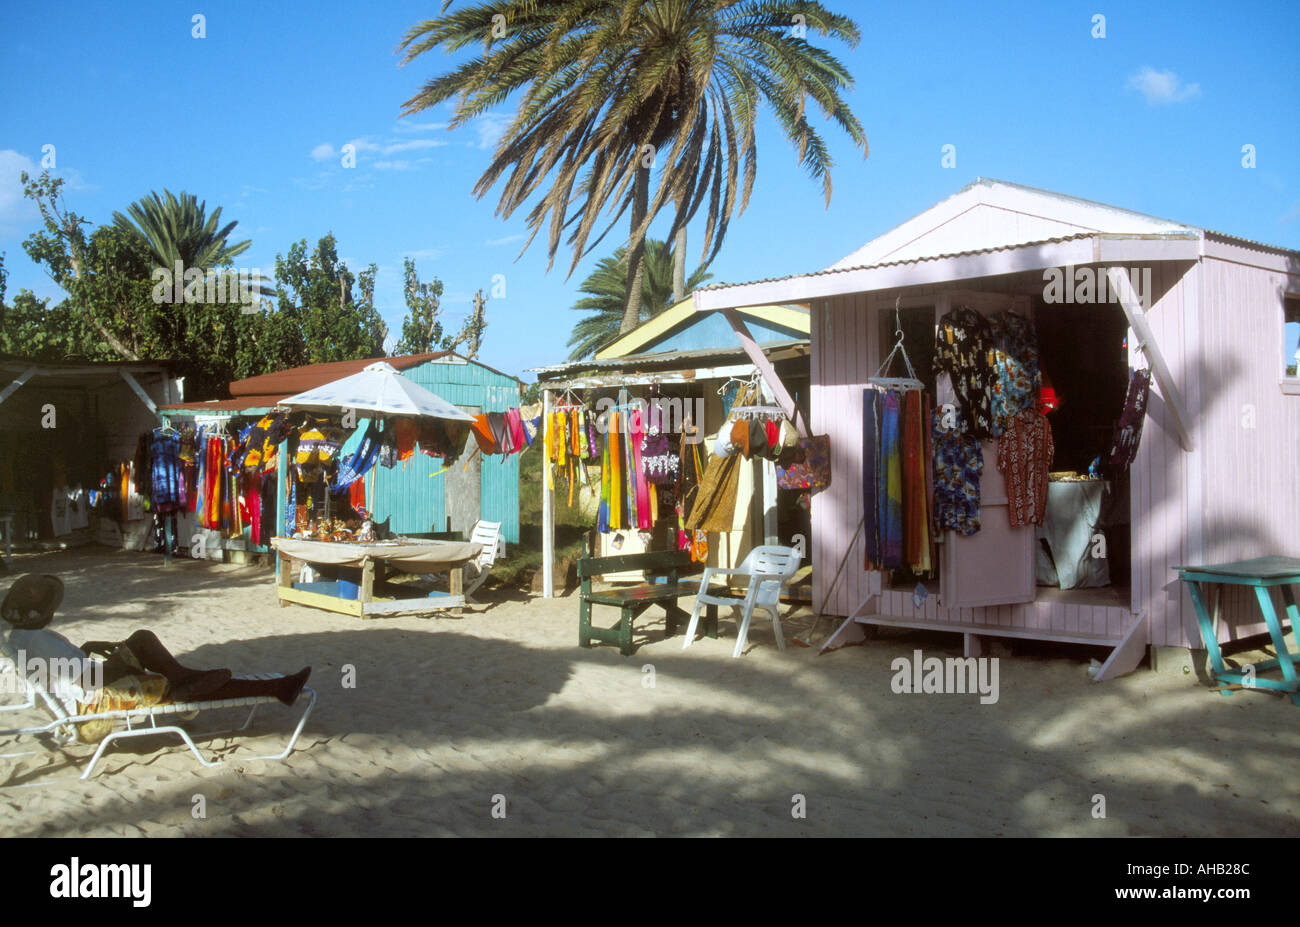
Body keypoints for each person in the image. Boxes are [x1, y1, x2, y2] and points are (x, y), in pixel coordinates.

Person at [2, 573, 310, 707]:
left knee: (146, 647)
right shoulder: (37, 641)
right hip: (96, 694)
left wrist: (88, 648)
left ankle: (276, 687)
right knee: (143, 640)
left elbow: (66, 667)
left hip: (89, 682)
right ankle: (187, 681)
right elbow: (88, 678)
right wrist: (122, 661)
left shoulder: (24, 638)